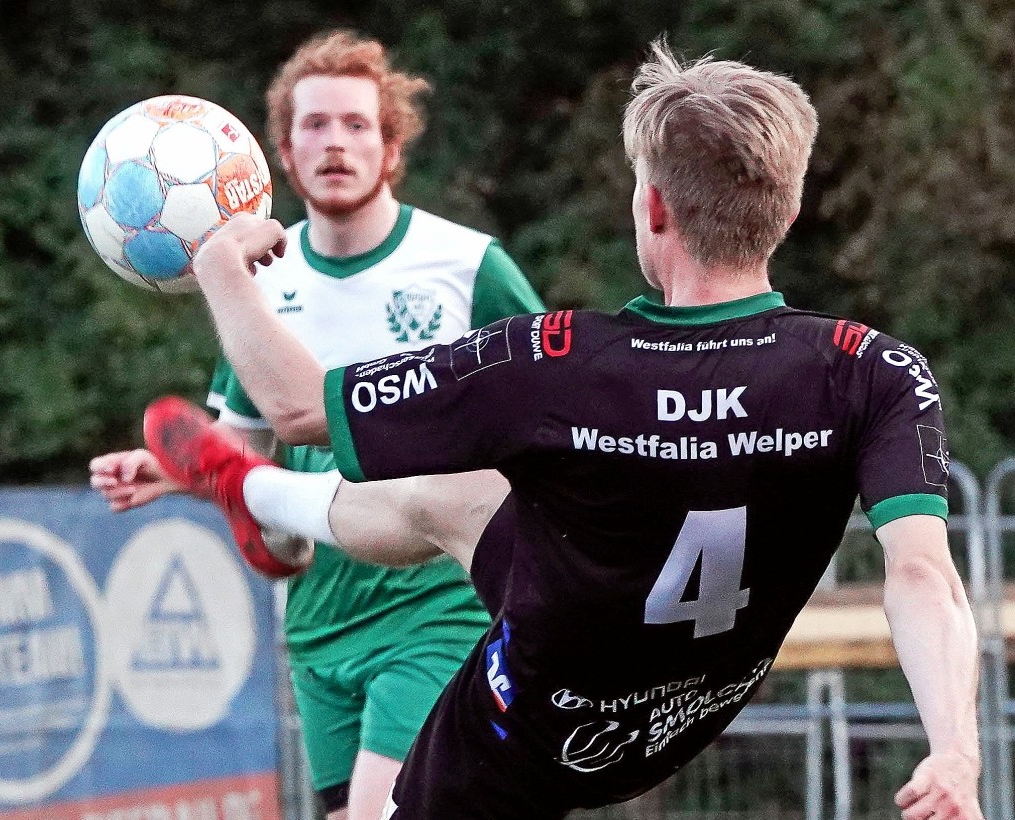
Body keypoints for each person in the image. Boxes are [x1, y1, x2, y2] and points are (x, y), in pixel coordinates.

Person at [141, 41, 981, 819]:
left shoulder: (555, 360)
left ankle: (248, 482)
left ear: (651, 207)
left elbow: (294, 407)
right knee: (453, 492)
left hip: (533, 723)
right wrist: (955, 752)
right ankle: (247, 487)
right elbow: (924, 576)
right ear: (787, 209)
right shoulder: (872, 367)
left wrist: (219, 269)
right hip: (684, 716)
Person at [91, 30, 544, 820]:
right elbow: (246, 465)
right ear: (282, 155)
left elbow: (554, 418)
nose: (336, 142)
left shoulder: (469, 267)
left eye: (357, 124)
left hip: (436, 601)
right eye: (315, 126)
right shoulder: (260, 282)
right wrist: (178, 474)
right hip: (318, 612)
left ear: (391, 147)